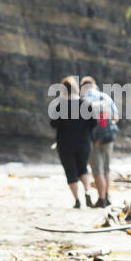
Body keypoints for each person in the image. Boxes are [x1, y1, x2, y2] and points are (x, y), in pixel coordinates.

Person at [50, 75, 97, 208]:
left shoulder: (60, 105)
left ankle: (77, 200)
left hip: (65, 143)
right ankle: (87, 191)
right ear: (76, 89)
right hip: (84, 142)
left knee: (71, 172)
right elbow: (94, 123)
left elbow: (54, 124)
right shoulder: (86, 104)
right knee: (83, 168)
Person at [80, 75, 119, 208]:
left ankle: (101, 199)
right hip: (109, 139)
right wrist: (106, 129)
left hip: (93, 140)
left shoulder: (83, 100)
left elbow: (82, 124)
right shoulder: (105, 97)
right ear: (95, 85)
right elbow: (115, 117)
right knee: (107, 169)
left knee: (97, 171)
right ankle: (107, 196)